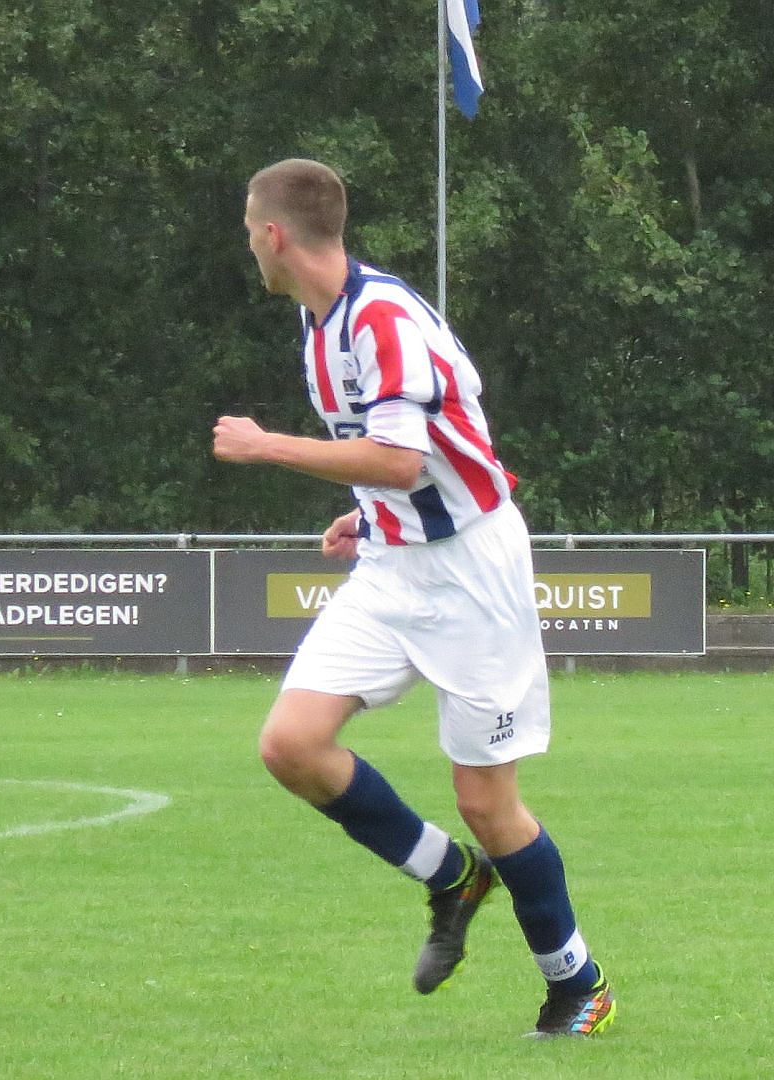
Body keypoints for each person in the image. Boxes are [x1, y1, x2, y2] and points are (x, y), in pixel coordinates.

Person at [212, 158, 615, 1037]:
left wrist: (267, 445)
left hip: (472, 573)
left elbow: (399, 457)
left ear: (275, 234)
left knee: (487, 801)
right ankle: (450, 877)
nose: (248, 245)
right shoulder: (320, 327)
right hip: (394, 567)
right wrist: (366, 515)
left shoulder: (382, 317)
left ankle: (578, 982)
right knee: (290, 744)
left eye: (249, 229)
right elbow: (397, 463)